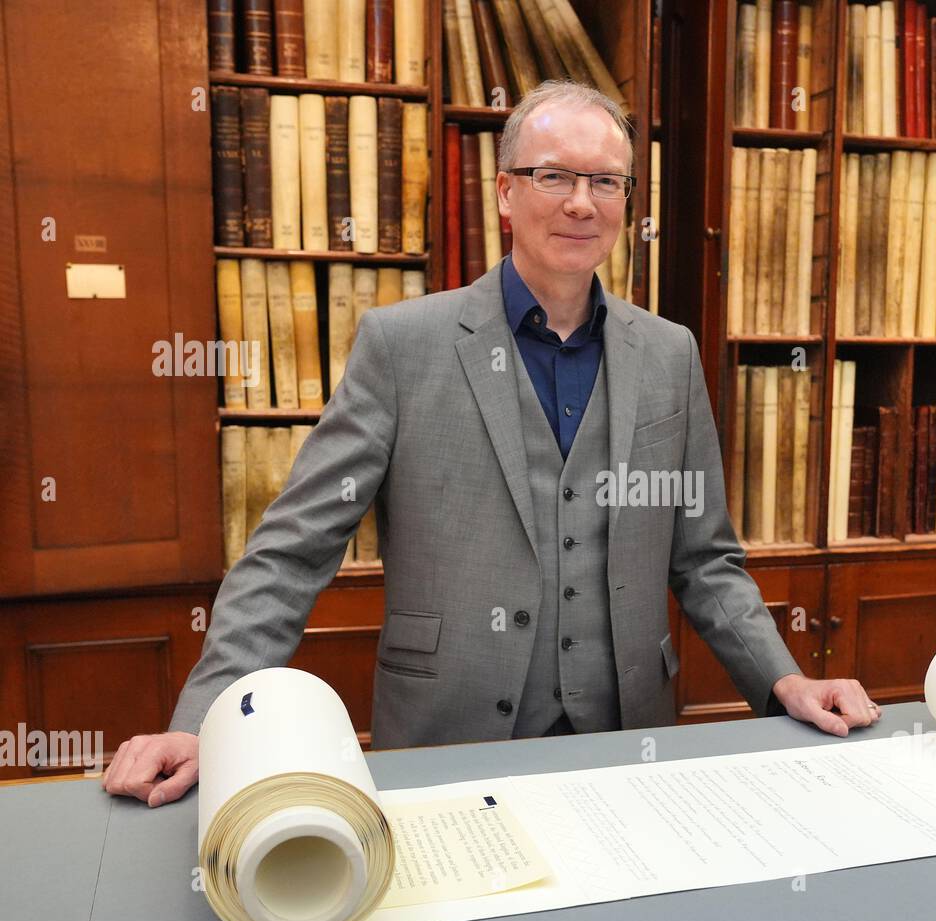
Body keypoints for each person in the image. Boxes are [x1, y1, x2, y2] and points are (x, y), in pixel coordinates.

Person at [102, 80, 881, 809]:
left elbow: (706, 558)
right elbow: (290, 550)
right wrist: (202, 716)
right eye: (554, 176)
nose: (582, 202)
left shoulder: (669, 354)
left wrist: (784, 679)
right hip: (448, 740)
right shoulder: (403, 346)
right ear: (505, 191)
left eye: (606, 181)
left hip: (627, 744)